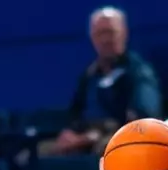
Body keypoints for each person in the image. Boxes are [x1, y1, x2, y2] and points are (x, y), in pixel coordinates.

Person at [50, 6, 162, 156]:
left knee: (106, 149)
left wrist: (91, 137)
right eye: (99, 34)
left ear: (124, 34)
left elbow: (143, 122)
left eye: (110, 32)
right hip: (84, 139)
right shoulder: (89, 75)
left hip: (117, 140)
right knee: (32, 154)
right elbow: (75, 113)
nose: (105, 40)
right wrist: (70, 134)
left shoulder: (139, 73)